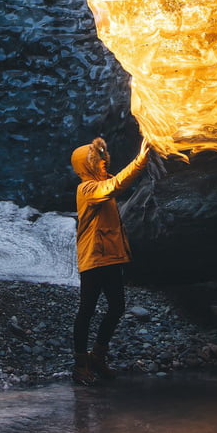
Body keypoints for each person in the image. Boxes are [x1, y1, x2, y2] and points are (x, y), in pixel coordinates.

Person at [70, 135, 150, 385]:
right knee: (87, 310)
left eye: (104, 157)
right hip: (94, 258)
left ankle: (97, 356)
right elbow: (115, 185)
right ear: (87, 165)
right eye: (98, 159)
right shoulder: (88, 189)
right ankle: (80, 364)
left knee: (117, 307)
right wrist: (140, 160)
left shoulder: (101, 183)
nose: (104, 161)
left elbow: (114, 183)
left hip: (111, 257)